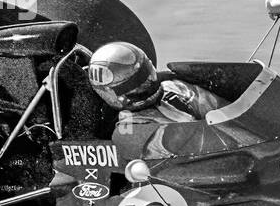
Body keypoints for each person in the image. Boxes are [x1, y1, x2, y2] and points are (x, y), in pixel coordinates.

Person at [87, 42, 227, 157]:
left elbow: (227, 111)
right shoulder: (127, 131)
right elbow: (189, 146)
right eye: (134, 88)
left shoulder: (176, 87)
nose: (144, 86)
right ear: (108, 93)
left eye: (145, 78)